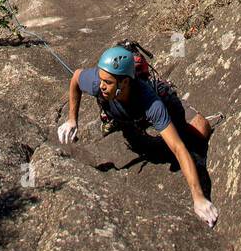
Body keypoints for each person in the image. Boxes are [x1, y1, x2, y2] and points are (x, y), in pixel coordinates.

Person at [57, 45, 220, 228]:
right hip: (124, 114)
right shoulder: (97, 81)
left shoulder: (151, 102)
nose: (101, 85)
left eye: (108, 82)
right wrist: (72, 120)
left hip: (153, 106)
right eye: (101, 79)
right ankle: (114, 117)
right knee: (137, 142)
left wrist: (198, 197)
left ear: (125, 82)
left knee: (201, 130)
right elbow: (76, 78)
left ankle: (132, 116)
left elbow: (178, 147)